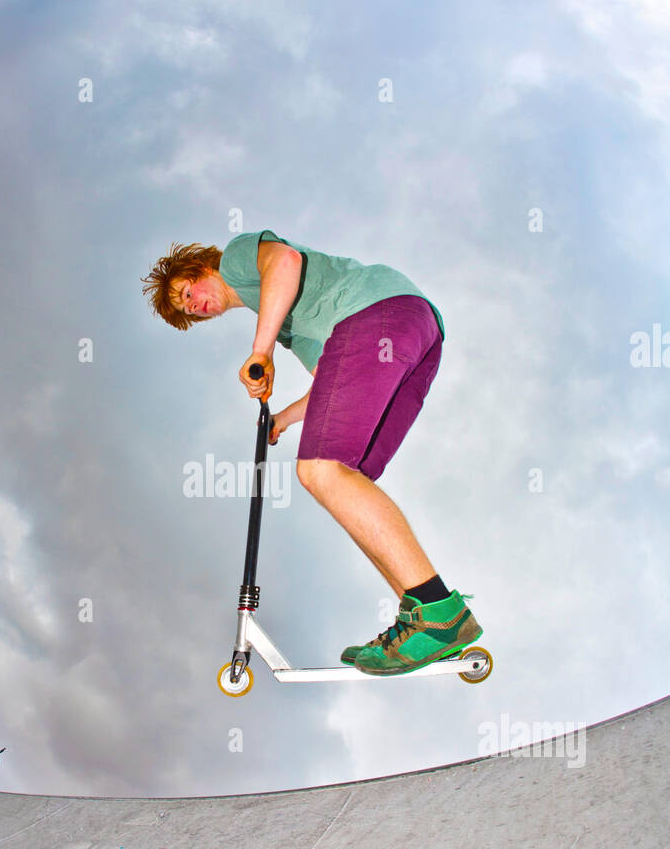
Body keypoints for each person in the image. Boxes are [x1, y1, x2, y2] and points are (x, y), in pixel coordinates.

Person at [143, 227, 482, 675]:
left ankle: (439, 612)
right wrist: (281, 418)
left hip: (376, 315)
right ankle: (420, 613)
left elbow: (284, 261)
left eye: (189, 291)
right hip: (414, 333)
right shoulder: (284, 322)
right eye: (189, 309)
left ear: (201, 268)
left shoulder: (237, 258)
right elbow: (331, 377)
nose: (196, 304)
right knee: (344, 479)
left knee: (320, 471)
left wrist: (259, 351)